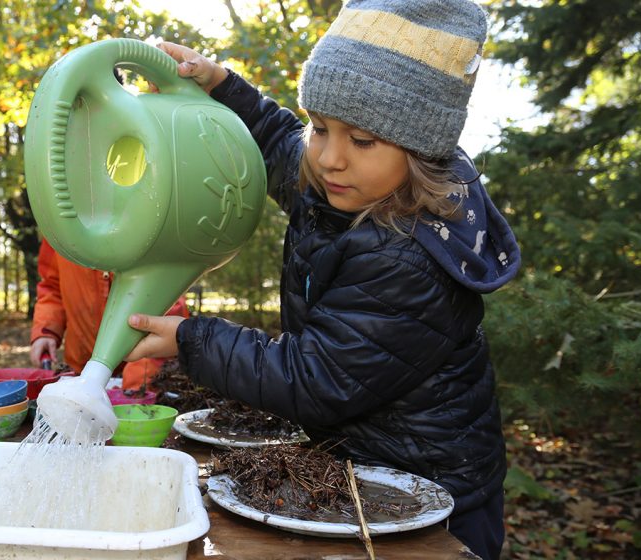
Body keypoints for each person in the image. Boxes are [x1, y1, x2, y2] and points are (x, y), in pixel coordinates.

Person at [125, 2, 520, 559]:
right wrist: (220, 85)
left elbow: (316, 380)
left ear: (421, 147)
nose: (330, 157)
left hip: (431, 505)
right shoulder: (340, 184)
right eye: (321, 127)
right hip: (361, 481)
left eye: (361, 140)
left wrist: (192, 339)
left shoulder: (409, 256)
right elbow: (274, 138)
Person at [29, 238, 189, 392]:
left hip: (142, 370)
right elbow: (52, 286)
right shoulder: (57, 225)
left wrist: (136, 392)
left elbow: (168, 300)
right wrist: (46, 330)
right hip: (80, 368)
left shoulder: (153, 221)